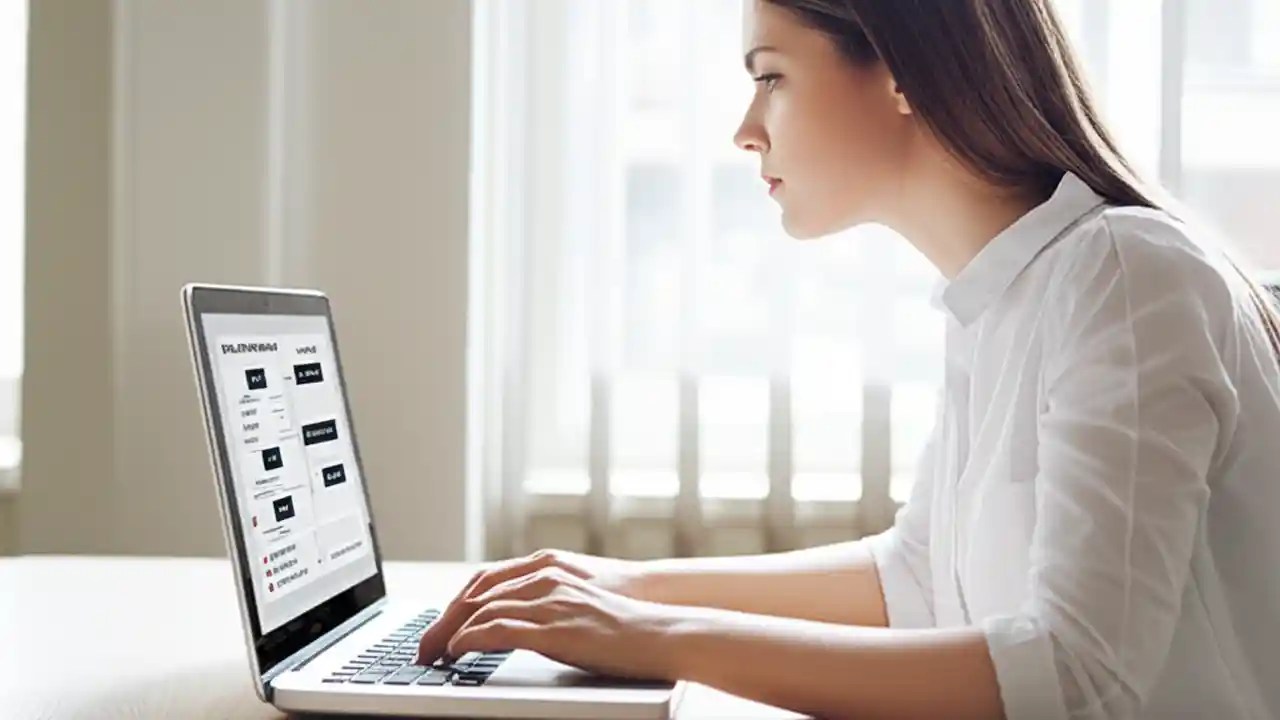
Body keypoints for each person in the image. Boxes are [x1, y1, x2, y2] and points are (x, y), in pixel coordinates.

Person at [417, 1, 1280, 718]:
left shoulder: (1123, 276)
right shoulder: (1004, 296)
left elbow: (1075, 676)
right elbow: (915, 577)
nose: (745, 130)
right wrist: (623, 585)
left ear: (903, 69)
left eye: (770, 76)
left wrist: (648, 635)